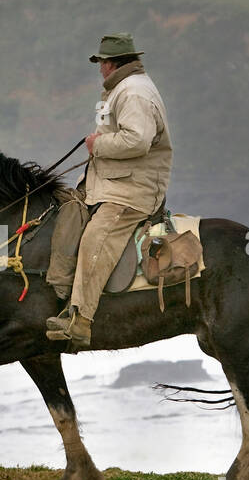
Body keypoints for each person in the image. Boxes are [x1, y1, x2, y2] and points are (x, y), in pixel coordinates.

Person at [45, 32, 172, 347]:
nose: (99, 68)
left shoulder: (134, 93)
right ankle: (60, 290)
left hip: (133, 190)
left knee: (96, 239)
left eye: (101, 62)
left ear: (110, 63)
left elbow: (137, 140)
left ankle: (80, 320)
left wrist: (97, 144)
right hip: (114, 182)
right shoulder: (124, 89)